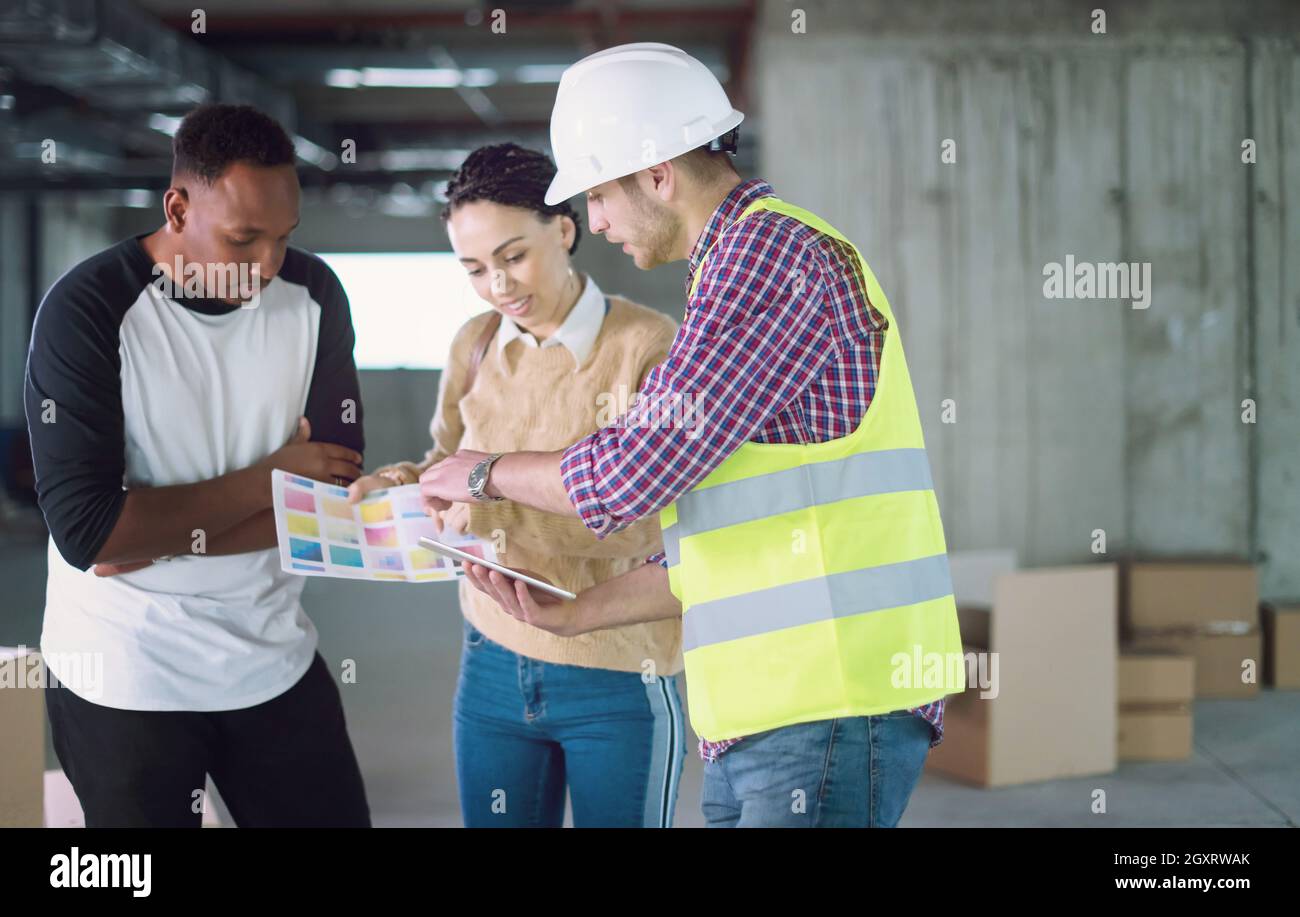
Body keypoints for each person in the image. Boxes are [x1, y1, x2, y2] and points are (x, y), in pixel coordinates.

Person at [419, 44, 964, 828]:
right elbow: (725, 541)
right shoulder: (729, 269)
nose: (594, 221)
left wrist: (486, 472)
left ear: (658, 174)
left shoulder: (771, 258)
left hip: (829, 700)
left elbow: (623, 475)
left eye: (599, 196)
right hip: (766, 710)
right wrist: (576, 613)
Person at [25, 103, 371, 827]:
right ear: (178, 207)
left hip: (271, 654)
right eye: (244, 239)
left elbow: (333, 498)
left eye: (283, 237)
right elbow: (90, 534)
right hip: (125, 670)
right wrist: (274, 474)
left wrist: (154, 532)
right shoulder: (87, 311)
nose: (269, 264)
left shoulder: (315, 297)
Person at [347, 143, 686, 827]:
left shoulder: (648, 346)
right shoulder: (474, 343)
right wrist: (403, 481)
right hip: (492, 661)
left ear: (564, 229)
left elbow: (656, 524)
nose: (497, 285)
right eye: (473, 268)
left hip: (618, 667)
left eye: (512, 256)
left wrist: (490, 504)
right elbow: (447, 456)